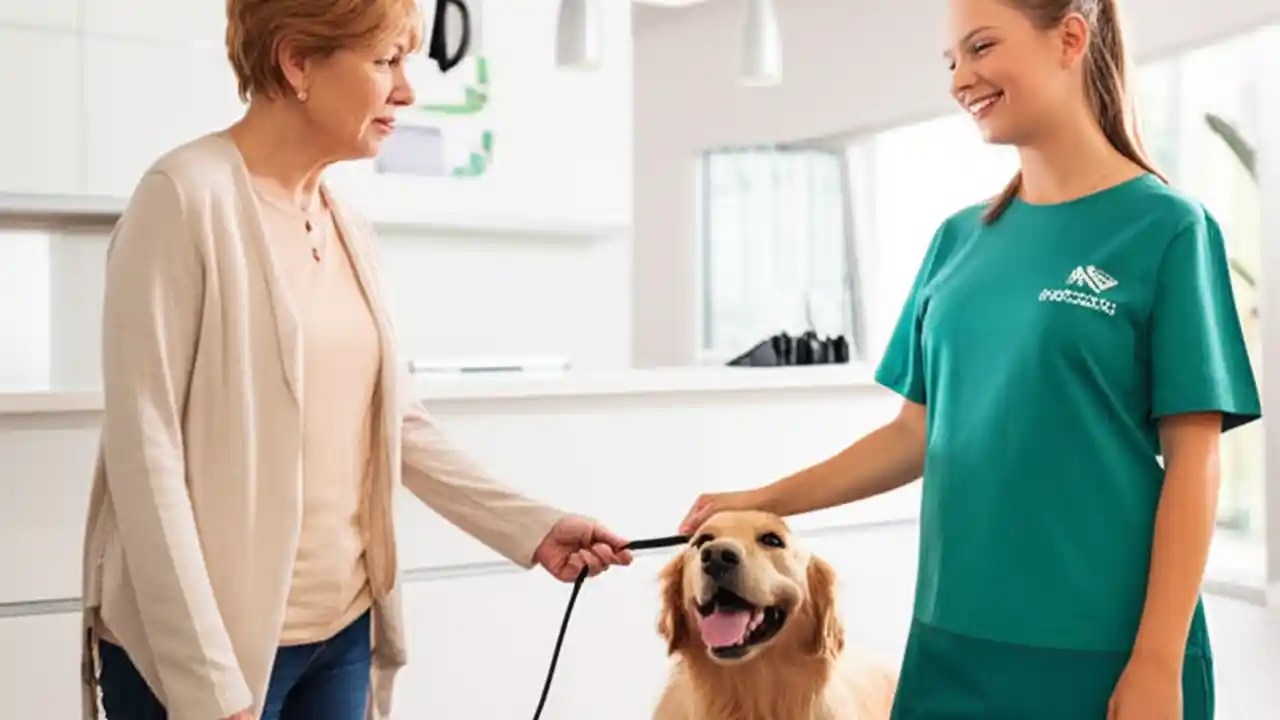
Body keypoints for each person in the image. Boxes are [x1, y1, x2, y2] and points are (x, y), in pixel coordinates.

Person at [680, 0, 1262, 718]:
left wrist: (1156, 660)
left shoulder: (1168, 228)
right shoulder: (957, 242)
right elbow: (914, 435)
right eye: (952, 60)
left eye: (981, 47)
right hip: (952, 645)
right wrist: (757, 500)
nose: (962, 78)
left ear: (1070, 39)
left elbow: (1196, 461)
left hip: (1103, 649)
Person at [77, 1, 633, 719]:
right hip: (206, 653)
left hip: (339, 632)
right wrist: (211, 690)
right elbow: (143, 458)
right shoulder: (183, 199)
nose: (407, 89)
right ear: (297, 61)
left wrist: (531, 527)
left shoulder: (347, 223)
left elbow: (394, 422)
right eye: (385, 61)